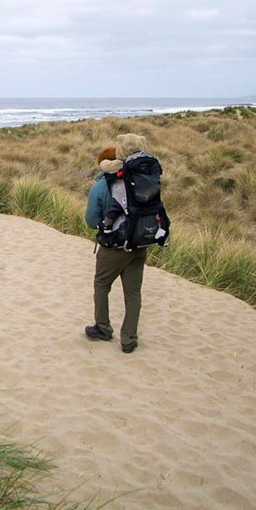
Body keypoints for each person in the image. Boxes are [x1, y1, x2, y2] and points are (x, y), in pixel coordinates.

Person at [84, 134, 150, 353]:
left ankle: (103, 328)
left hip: (114, 246)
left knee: (102, 284)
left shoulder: (102, 185)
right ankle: (129, 339)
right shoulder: (146, 177)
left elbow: (91, 221)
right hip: (141, 241)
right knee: (133, 292)